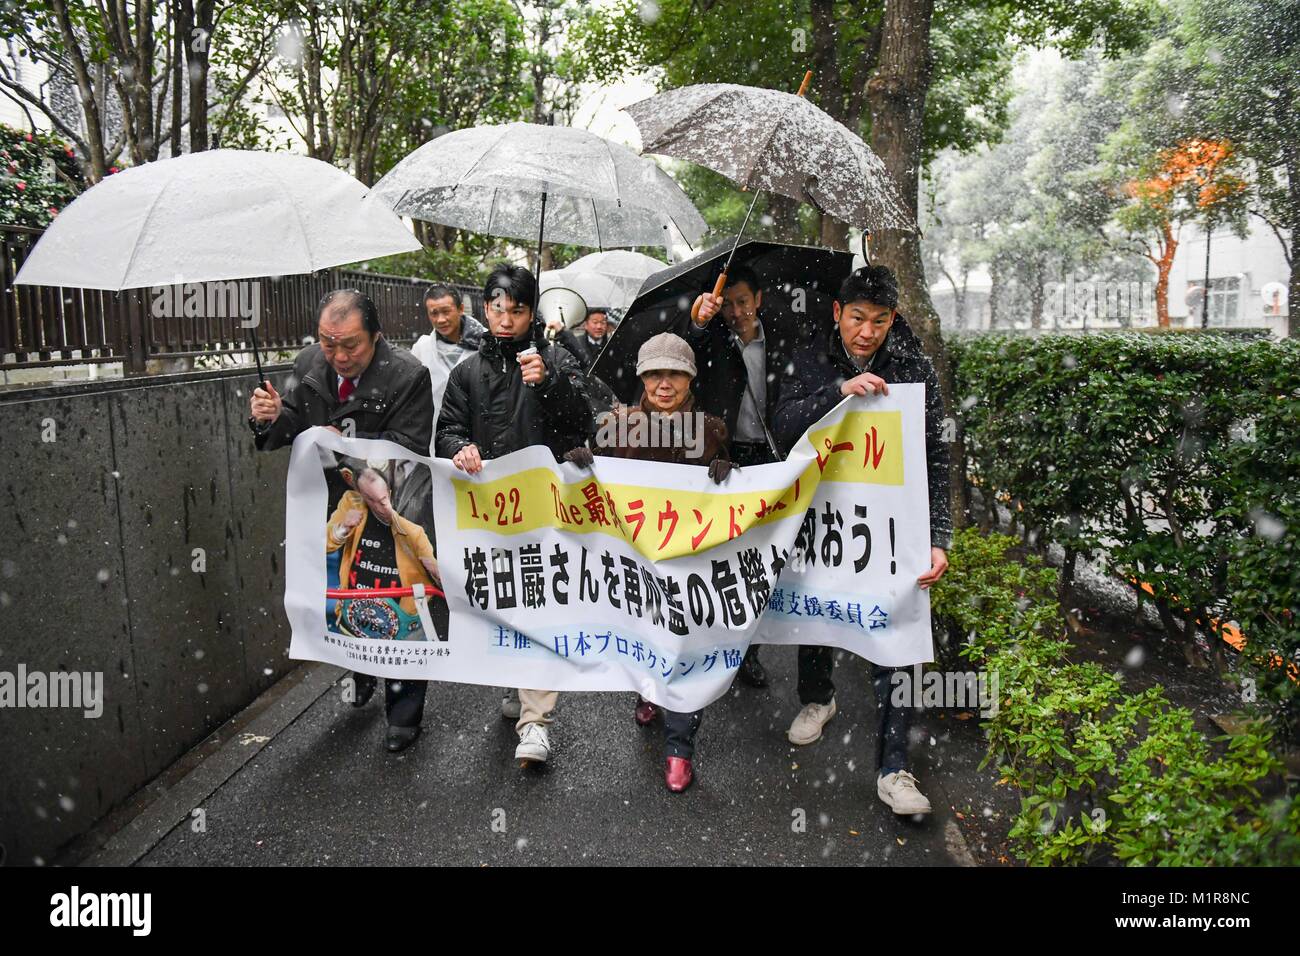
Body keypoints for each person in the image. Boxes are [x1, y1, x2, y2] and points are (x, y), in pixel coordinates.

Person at [772, 264, 953, 816]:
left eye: (879, 320)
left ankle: (894, 766)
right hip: (821, 518)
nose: (867, 332)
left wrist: (938, 535)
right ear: (837, 313)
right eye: (857, 319)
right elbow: (782, 425)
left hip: (889, 525)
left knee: (894, 636)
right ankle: (817, 698)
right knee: (817, 612)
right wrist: (837, 392)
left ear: (892, 318)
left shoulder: (913, 365)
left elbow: (936, 453)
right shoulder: (809, 354)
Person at [249, 289, 436, 753]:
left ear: (376, 336)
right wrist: (268, 418)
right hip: (336, 507)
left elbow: (409, 447)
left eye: (350, 345)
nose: (338, 356)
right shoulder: (310, 364)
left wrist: (348, 444)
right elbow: (289, 426)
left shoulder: (408, 374)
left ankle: (404, 712)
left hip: (392, 503)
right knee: (349, 595)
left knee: (399, 603)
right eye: (328, 343)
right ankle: (361, 668)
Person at [435, 263, 594, 768]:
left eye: (517, 310)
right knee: (504, 600)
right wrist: (460, 448)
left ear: (532, 314)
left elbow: (582, 423)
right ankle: (516, 681)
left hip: (544, 512)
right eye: (497, 308)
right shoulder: (466, 373)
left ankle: (536, 722)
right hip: (488, 514)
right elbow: (447, 430)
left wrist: (548, 384)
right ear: (485, 308)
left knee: (541, 604)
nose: (506, 319)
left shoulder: (556, 359)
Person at [572, 332, 731, 792]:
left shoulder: (711, 430)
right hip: (635, 558)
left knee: (684, 644)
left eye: (675, 373)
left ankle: (681, 747)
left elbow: (734, 497)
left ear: (690, 378)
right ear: (641, 377)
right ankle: (646, 692)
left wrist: (726, 470)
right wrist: (582, 462)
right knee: (641, 631)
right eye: (655, 373)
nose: (665, 384)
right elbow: (594, 481)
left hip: (688, 560)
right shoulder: (616, 425)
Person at [679, 262, 797, 689]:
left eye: (742, 302)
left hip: (770, 460)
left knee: (760, 562)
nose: (735, 311)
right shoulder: (714, 338)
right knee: (716, 556)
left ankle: (748, 652)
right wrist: (698, 320)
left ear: (758, 301)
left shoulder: (782, 341)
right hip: (723, 459)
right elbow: (688, 346)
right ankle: (708, 646)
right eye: (727, 304)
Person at [327, 465, 442, 752]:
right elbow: (327, 540)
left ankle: (403, 720)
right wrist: (343, 529)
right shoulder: (352, 501)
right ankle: (363, 673)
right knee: (359, 640)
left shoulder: (414, 528)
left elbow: (433, 561)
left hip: (404, 604)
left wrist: (439, 572)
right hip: (359, 598)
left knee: (407, 655)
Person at [410, 283, 486, 428]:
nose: (440, 320)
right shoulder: (422, 348)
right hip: (436, 432)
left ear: (461, 309)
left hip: (478, 430)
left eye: (446, 311)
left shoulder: (485, 344)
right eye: (434, 313)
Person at [557, 307, 610, 371]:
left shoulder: (611, 344)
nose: (599, 326)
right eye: (595, 322)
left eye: (603, 322)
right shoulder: (576, 342)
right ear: (586, 325)